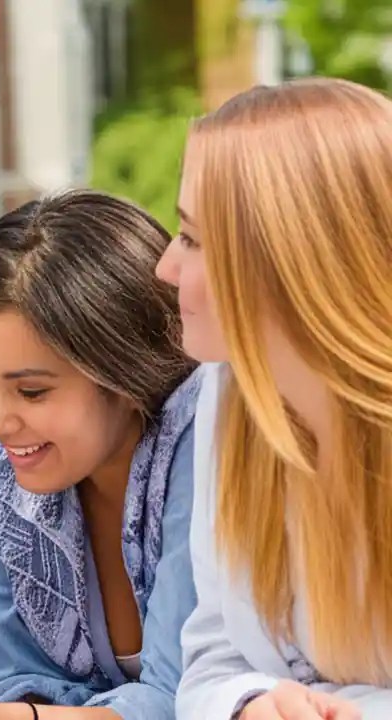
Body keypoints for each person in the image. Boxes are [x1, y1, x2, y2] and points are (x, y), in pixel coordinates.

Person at [0, 190, 200, 720]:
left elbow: (183, 697)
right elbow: (16, 678)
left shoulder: (200, 438)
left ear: (122, 374)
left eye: (32, 391)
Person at [158, 78, 392, 720]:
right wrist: (248, 704)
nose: (165, 269)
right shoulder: (227, 397)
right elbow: (210, 659)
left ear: (289, 261)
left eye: (194, 239)